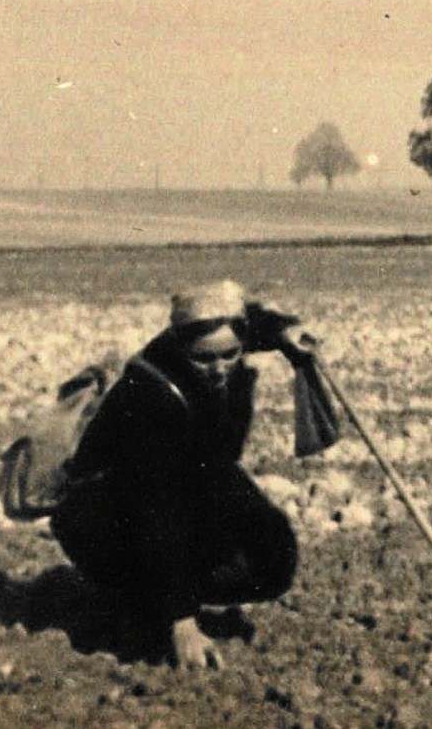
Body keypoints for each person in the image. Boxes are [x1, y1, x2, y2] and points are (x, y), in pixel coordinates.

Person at [49, 280, 317, 668]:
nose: (219, 369)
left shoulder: (216, 341)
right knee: (165, 533)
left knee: (273, 554)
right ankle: (149, 605)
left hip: (189, 476)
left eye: (230, 355)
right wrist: (182, 621)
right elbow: (155, 507)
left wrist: (284, 331)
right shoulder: (146, 395)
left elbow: (248, 320)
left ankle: (165, 591)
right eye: (204, 359)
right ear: (179, 345)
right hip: (110, 509)